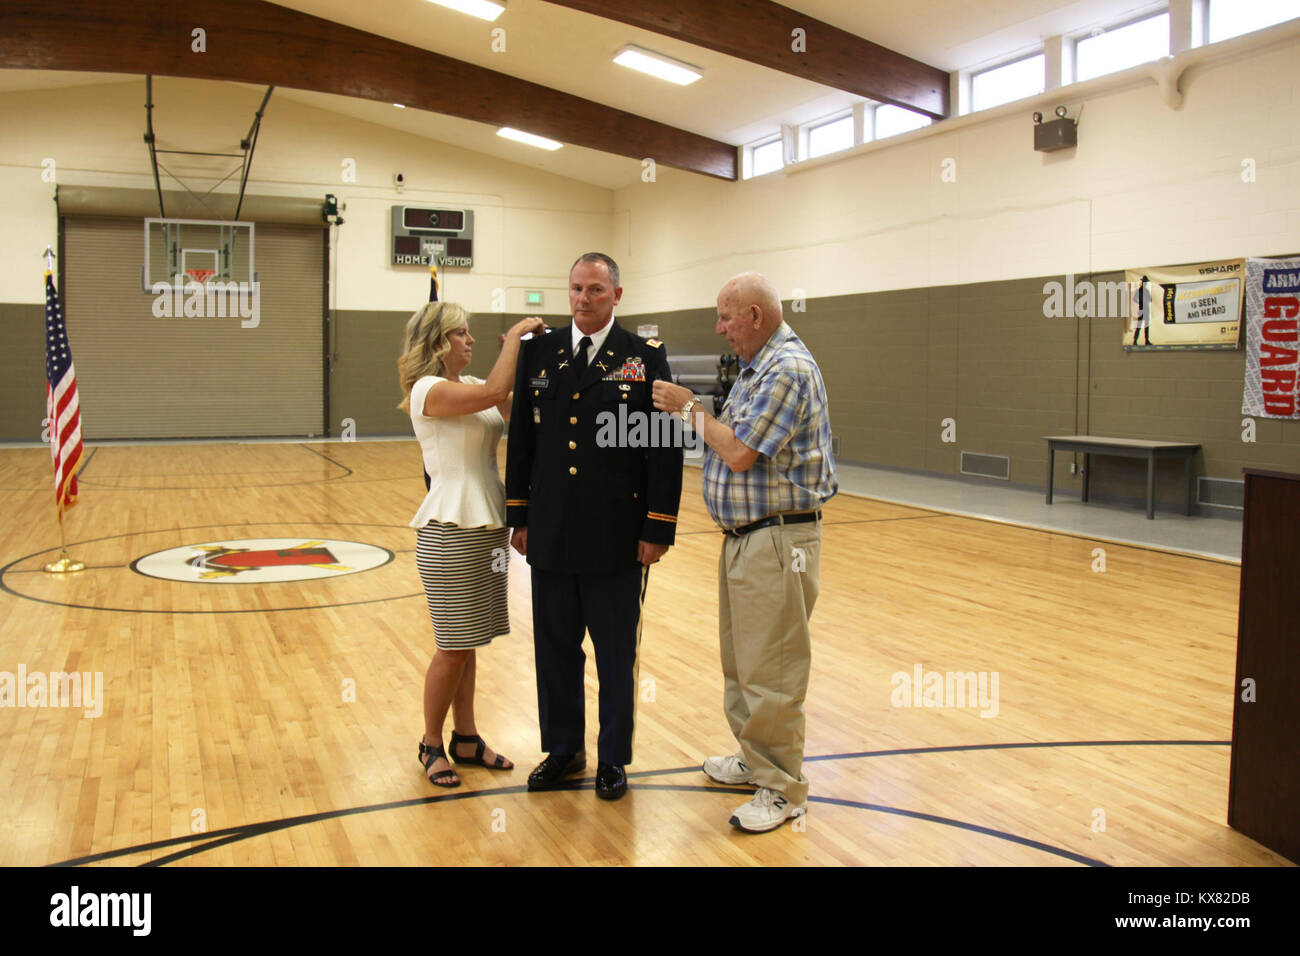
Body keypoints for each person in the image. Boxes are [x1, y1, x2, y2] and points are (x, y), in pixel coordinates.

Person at [652, 272, 837, 832]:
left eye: (726, 317)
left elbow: (736, 452)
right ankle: (754, 760)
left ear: (755, 315)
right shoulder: (760, 368)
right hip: (746, 539)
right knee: (743, 662)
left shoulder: (787, 370)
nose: (720, 328)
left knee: (773, 670)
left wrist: (689, 409)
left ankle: (782, 788)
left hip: (778, 541)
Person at [506, 252, 683, 801]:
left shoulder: (642, 357)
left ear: (617, 296)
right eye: (577, 288)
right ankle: (563, 750)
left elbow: (663, 447)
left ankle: (612, 758)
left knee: (614, 654)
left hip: (616, 536)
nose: (584, 299)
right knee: (555, 649)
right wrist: (519, 514)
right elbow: (522, 440)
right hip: (552, 532)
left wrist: (657, 526)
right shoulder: (539, 352)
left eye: (596, 290)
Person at [398, 301, 545, 788]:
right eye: (461, 333)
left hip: (486, 528)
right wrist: (521, 331)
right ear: (439, 342)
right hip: (450, 530)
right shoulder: (427, 390)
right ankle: (430, 743)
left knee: (469, 642)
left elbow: (512, 409)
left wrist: (527, 363)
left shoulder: (467, 385)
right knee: (452, 647)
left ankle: (466, 737)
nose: (470, 340)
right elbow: (496, 391)